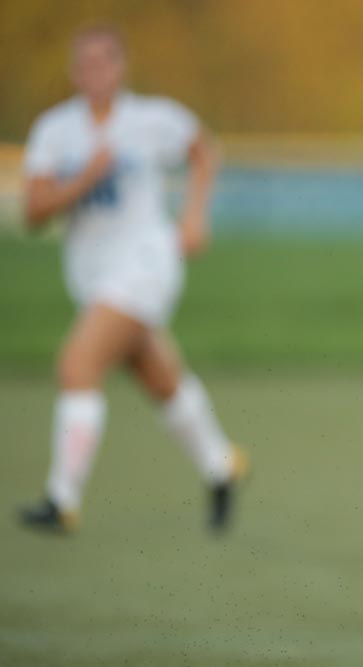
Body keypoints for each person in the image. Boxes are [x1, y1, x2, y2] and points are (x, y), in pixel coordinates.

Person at [18, 24, 247, 534]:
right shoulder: (55, 129)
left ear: (120, 67)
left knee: (77, 364)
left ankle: (62, 500)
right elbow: (33, 212)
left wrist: (194, 216)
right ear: (74, 72)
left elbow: (204, 151)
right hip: (92, 275)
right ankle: (221, 464)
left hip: (147, 262)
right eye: (84, 63)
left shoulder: (151, 118)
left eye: (104, 61)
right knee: (156, 376)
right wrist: (82, 180)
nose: (94, 72)